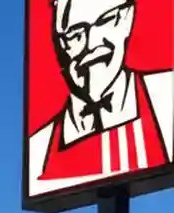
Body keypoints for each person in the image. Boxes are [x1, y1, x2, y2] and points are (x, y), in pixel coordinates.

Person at [27, 0, 174, 194]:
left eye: (106, 20)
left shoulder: (165, 100)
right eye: (77, 34)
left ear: (127, 19)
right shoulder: (38, 151)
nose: (93, 43)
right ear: (61, 43)